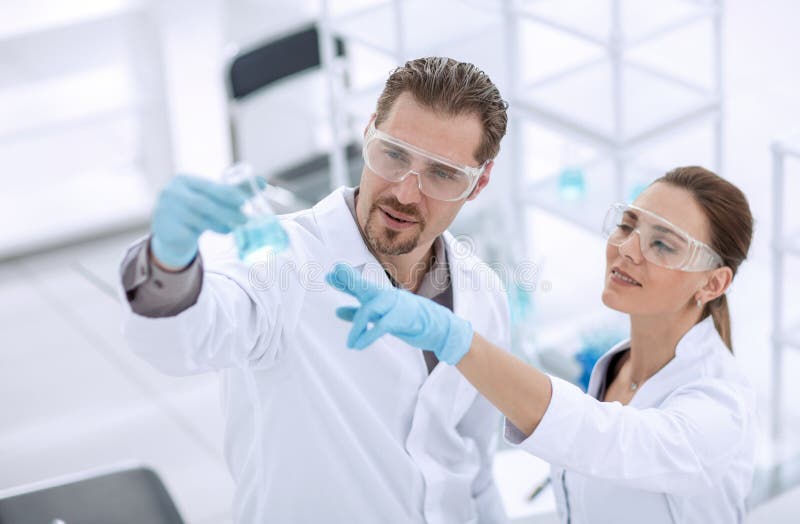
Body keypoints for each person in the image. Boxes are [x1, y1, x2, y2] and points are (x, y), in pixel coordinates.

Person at [119, 57, 513, 523]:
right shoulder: (282, 260)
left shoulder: (481, 292)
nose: (406, 194)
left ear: (478, 183)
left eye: (442, 174)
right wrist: (169, 259)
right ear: (368, 134)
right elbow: (182, 341)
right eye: (394, 154)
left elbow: (475, 468)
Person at [328, 166, 756, 523]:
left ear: (714, 283)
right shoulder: (621, 366)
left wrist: (457, 341)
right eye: (627, 225)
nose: (627, 249)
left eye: (663, 244)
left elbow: (611, 441)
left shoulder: (721, 405)